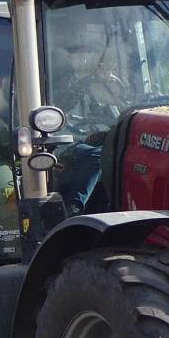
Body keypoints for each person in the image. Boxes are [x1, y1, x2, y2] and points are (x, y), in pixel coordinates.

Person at [47, 18, 128, 212]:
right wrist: (90, 80)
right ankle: (74, 205)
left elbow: (112, 117)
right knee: (97, 155)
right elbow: (62, 105)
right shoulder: (60, 83)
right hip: (64, 144)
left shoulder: (102, 88)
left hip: (87, 141)